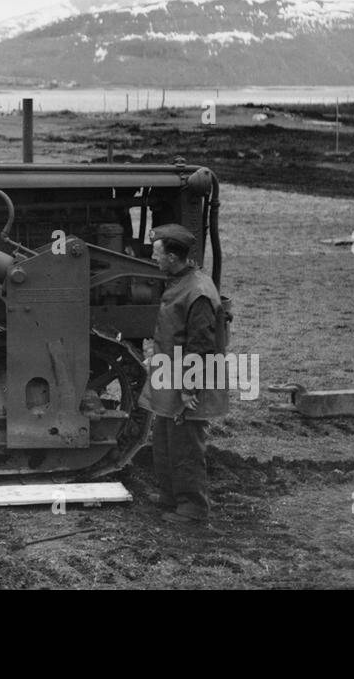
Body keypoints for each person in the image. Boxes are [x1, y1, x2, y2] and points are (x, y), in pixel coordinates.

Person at [137, 223, 229, 525]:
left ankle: (192, 507)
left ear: (174, 257)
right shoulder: (179, 281)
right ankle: (170, 496)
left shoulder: (198, 291)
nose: (154, 259)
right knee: (164, 440)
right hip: (170, 375)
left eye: (157, 254)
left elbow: (200, 346)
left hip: (189, 379)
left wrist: (190, 388)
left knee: (186, 446)